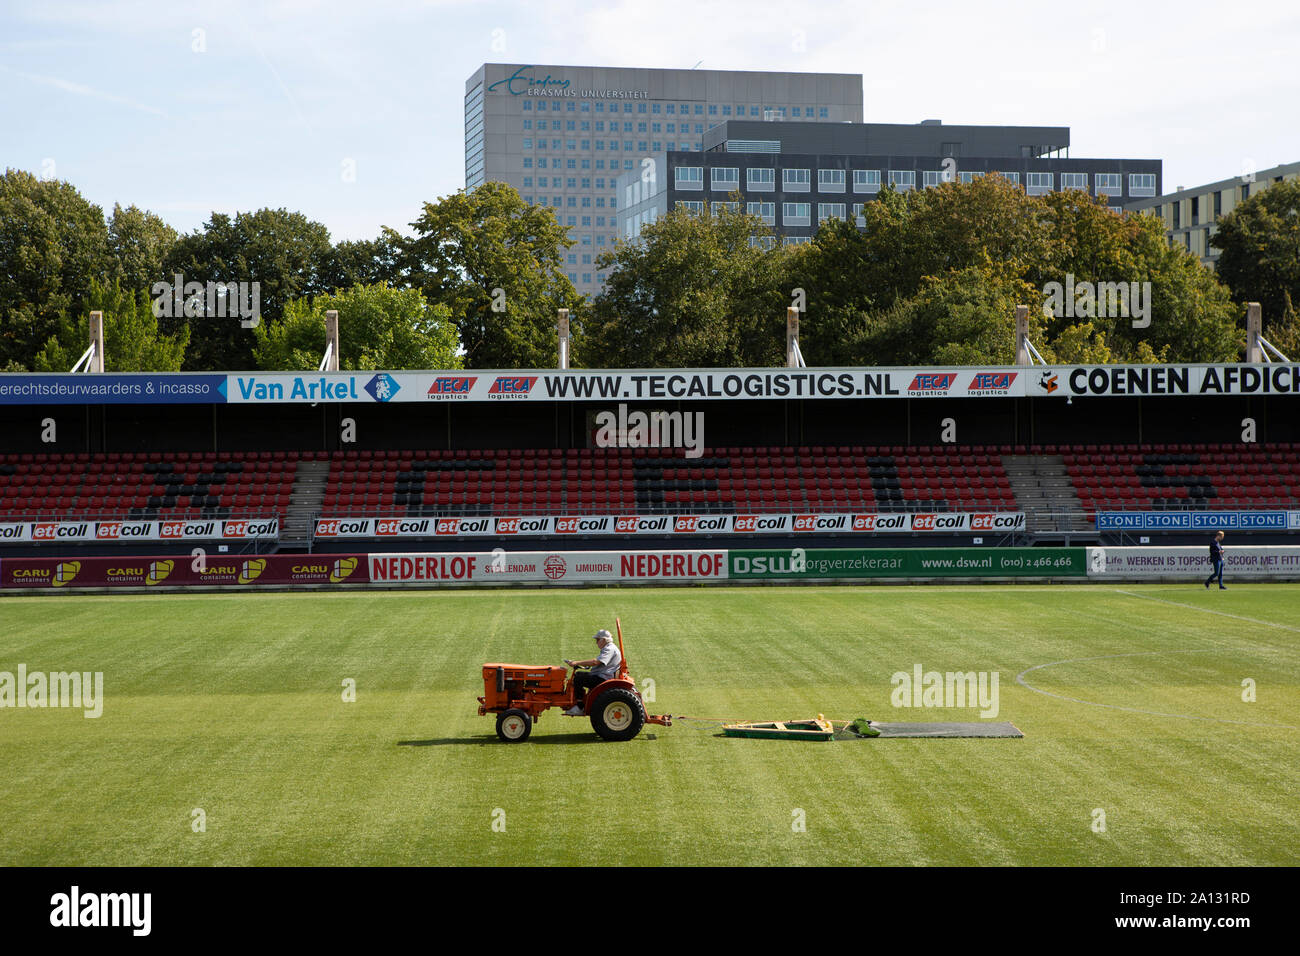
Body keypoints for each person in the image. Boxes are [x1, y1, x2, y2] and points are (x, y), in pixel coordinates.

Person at [563, 629, 622, 715]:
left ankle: (580, 707)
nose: (596, 642)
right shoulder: (609, 648)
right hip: (603, 675)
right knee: (579, 675)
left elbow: (595, 662)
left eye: (597, 640)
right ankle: (580, 700)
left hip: (603, 678)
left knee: (578, 678)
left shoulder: (609, 649)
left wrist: (576, 662)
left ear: (604, 640)